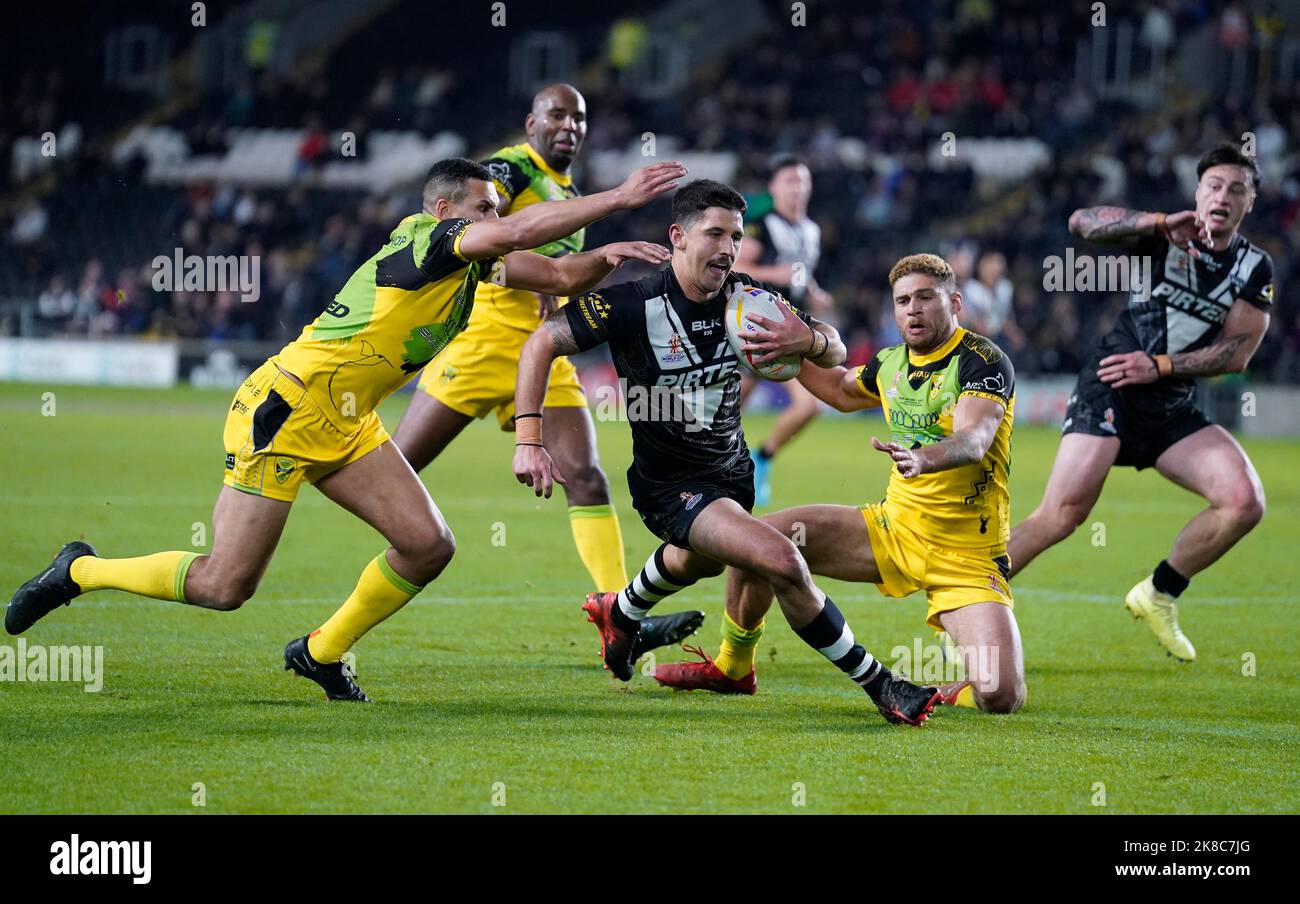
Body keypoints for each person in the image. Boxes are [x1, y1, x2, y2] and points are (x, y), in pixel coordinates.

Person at [6, 157, 686, 702]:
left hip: (350, 421)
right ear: (443, 210)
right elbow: (511, 235)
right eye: (483, 207)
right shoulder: (428, 241)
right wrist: (616, 198)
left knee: (427, 546)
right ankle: (81, 570)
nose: (495, 218)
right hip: (289, 408)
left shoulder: (474, 264)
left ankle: (320, 652)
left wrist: (614, 255)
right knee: (224, 586)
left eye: (497, 209)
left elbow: (563, 272)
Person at [512, 179, 942, 726]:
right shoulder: (633, 302)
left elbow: (831, 346)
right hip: (669, 484)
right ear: (678, 237)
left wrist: (807, 341)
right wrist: (530, 439)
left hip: (731, 474)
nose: (728, 248)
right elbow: (541, 341)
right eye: (715, 233)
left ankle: (619, 612)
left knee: (704, 560)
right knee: (782, 559)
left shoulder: (747, 298)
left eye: (736, 236)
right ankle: (884, 685)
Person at [391, 85, 703, 658]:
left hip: (544, 348)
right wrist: (522, 267)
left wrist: (586, 266)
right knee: (394, 469)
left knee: (585, 475)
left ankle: (618, 617)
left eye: (580, 118)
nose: (569, 126)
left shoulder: (568, 190)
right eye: (557, 114)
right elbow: (481, 225)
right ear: (531, 120)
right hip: (481, 344)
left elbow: (560, 272)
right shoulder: (510, 168)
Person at [654, 253, 1026, 713]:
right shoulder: (890, 363)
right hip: (893, 531)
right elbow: (839, 391)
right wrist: (785, 346)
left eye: (925, 298)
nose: (913, 309)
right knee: (756, 545)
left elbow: (973, 440)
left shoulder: (983, 361)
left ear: (955, 302)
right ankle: (733, 668)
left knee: (1000, 696)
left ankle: (954, 686)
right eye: (903, 300)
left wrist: (922, 457)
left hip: (966, 557)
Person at [1009, 144, 1274, 662]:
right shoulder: (1163, 235)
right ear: (1198, 193)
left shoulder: (1254, 266)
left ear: (1249, 203)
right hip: (1111, 384)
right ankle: (969, 605)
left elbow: (1237, 352)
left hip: (1168, 405)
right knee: (1061, 515)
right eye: (1214, 185)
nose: (1223, 195)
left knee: (1245, 502)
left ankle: (1158, 593)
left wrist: (1162, 368)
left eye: (1236, 189)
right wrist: (1155, 221)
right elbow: (1081, 222)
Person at [735, 156, 833, 506]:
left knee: (810, 406)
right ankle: (707, 469)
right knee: (728, 411)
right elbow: (738, 265)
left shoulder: (811, 230)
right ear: (773, 187)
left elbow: (802, 272)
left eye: (803, 181)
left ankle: (761, 458)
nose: (798, 187)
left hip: (792, 329)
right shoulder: (760, 224)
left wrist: (814, 291)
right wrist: (781, 275)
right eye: (790, 180)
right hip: (752, 327)